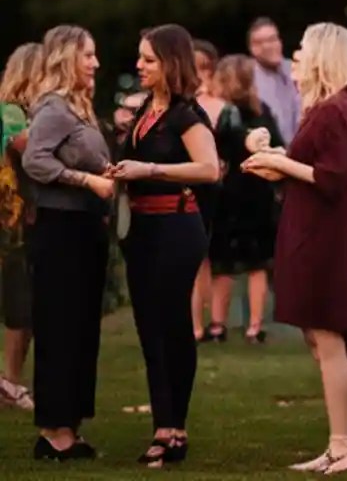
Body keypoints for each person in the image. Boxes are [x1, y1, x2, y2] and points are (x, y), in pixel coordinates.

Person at [243, 23, 347, 474]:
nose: (296, 54)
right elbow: (321, 166)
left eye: (303, 47)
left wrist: (277, 162)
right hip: (338, 237)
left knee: (328, 340)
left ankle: (341, 446)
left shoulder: (331, 110)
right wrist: (277, 158)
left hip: (321, 238)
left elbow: (329, 178)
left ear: (322, 55)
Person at [106, 24, 219, 468]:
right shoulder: (143, 111)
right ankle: (161, 425)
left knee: (172, 325)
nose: (139, 66)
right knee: (149, 328)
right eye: (140, 58)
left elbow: (209, 169)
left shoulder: (185, 114)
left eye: (149, 59)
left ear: (170, 63)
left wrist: (150, 169)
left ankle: (177, 428)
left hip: (176, 227)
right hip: (142, 230)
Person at [21, 25, 114, 460]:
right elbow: (34, 160)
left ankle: (68, 426)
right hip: (60, 231)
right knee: (60, 327)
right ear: (65, 58)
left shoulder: (80, 107)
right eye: (87, 55)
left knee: (80, 328)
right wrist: (86, 180)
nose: (96, 63)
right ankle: (53, 432)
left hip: (84, 229)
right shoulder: (54, 108)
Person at [208, 54, 283, 344]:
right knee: (257, 263)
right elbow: (278, 144)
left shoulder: (221, 114)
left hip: (226, 194)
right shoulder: (261, 111)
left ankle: (218, 325)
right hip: (258, 192)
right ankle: (254, 326)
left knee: (222, 264)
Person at [0, 43, 43, 412]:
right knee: (18, 302)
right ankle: (10, 382)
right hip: (8, 223)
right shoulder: (11, 112)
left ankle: (11, 382)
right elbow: (30, 150)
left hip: (20, 221)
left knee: (23, 304)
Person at [191, 40, 224, 341]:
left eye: (204, 68)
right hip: (189, 185)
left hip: (210, 188)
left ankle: (205, 322)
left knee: (203, 257)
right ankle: (195, 323)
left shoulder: (218, 106)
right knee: (194, 258)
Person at [248, 18, 301, 147]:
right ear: (252, 48)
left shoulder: (297, 69)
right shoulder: (249, 78)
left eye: (273, 39)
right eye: (261, 42)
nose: (269, 46)